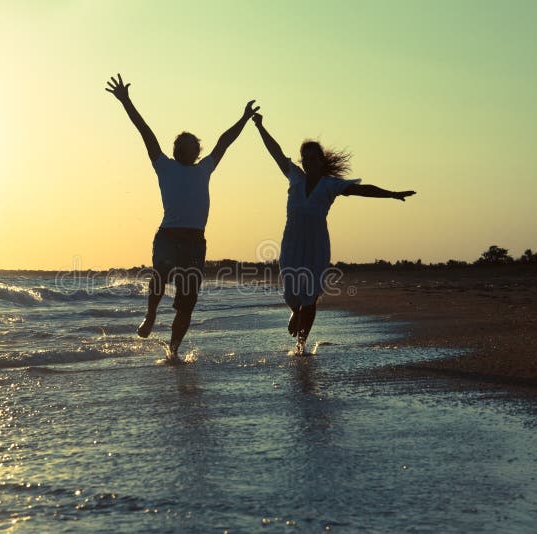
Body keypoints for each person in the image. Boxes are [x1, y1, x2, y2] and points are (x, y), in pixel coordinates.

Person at [106, 73, 258, 362]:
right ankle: (150, 314)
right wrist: (126, 101)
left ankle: (173, 351)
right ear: (177, 149)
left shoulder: (204, 168)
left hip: (194, 241)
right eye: (184, 142)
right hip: (168, 235)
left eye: (193, 142)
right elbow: (145, 131)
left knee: (186, 304)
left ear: (197, 150)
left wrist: (244, 118)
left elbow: (225, 142)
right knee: (160, 274)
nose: (189, 145)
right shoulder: (164, 165)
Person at [251, 113, 415, 354]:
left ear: (320, 159)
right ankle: (295, 312)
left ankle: (301, 346)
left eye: (312, 158)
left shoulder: (330, 185)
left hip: (316, 245)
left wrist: (391, 193)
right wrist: (260, 126)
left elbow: (362, 190)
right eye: (304, 159)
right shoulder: (295, 176)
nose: (307, 162)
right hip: (292, 243)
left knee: (311, 296)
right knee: (292, 294)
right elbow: (274, 151)